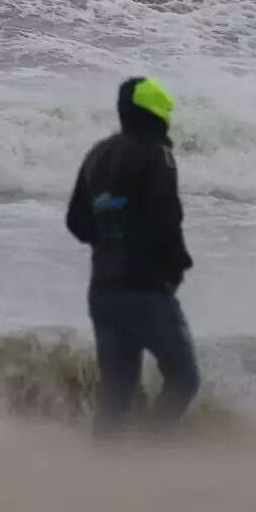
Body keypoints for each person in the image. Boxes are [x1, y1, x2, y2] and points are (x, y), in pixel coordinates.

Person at [66, 76, 199, 436]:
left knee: (116, 394)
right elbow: (167, 218)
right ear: (156, 114)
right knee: (184, 379)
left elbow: (76, 221)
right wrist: (176, 266)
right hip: (147, 289)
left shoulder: (98, 154)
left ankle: (107, 469)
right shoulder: (158, 154)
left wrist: (110, 241)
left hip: (104, 291)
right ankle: (150, 450)